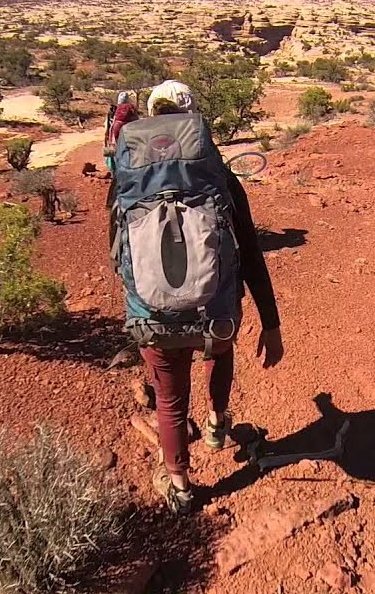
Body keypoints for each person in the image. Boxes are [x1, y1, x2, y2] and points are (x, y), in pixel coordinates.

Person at [108, 80, 284, 514]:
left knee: (168, 401)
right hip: (216, 316)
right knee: (219, 355)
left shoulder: (126, 181)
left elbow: (117, 255)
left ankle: (181, 487)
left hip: (152, 317)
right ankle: (217, 423)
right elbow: (249, 252)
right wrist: (271, 322)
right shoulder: (219, 178)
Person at [103, 91, 139, 171]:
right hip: (131, 138)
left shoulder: (114, 111)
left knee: (117, 156)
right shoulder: (132, 110)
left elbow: (108, 127)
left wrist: (107, 139)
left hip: (116, 137)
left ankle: (116, 173)